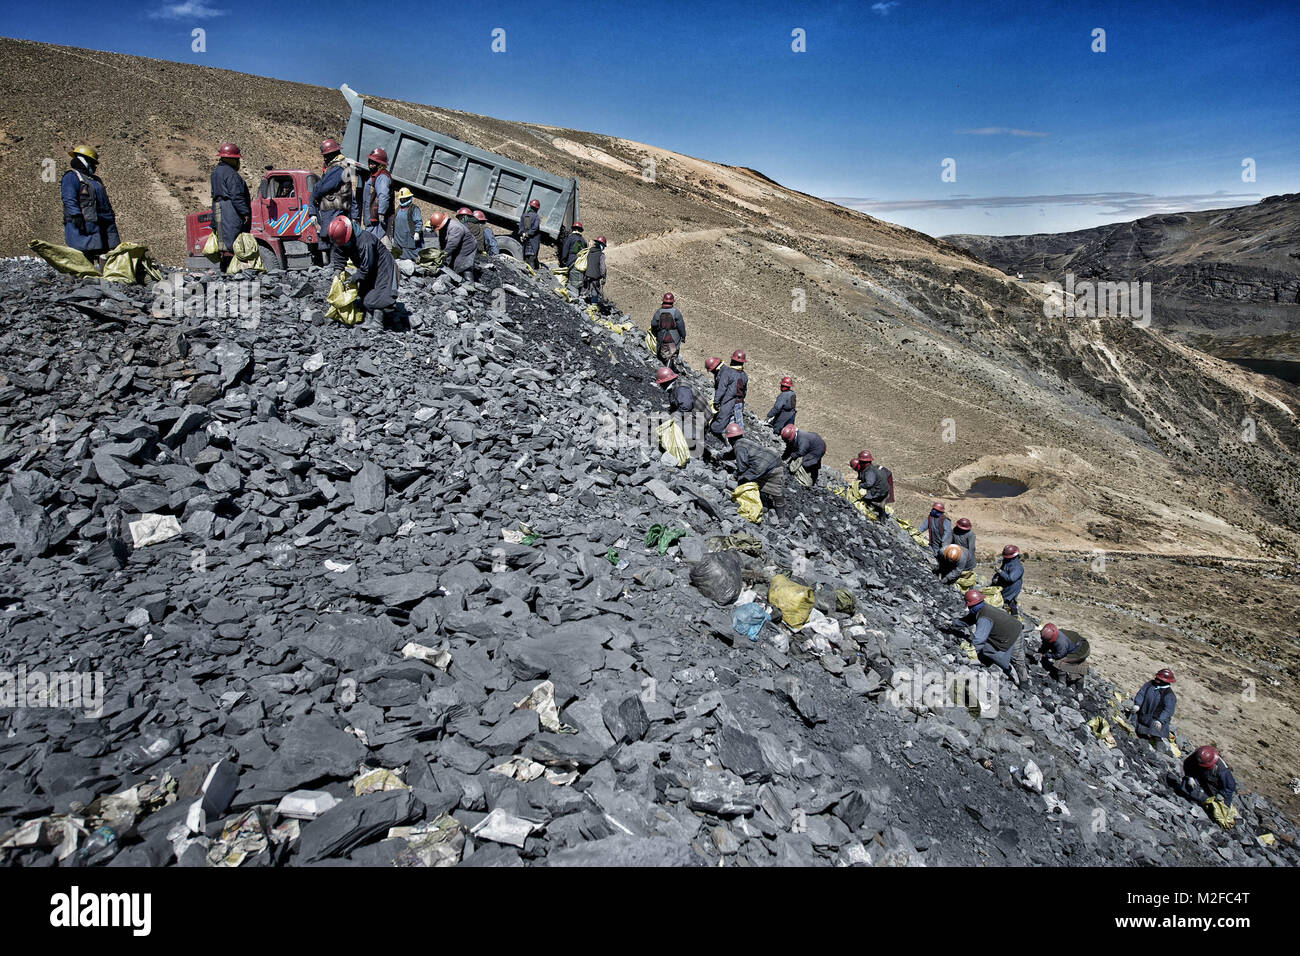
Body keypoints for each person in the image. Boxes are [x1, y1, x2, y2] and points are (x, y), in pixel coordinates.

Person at [326, 216, 397, 323]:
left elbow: (367, 266)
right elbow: (339, 253)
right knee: (365, 291)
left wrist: (355, 277)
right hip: (366, 266)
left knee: (380, 292)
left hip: (383, 265)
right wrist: (338, 270)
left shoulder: (365, 241)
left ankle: (377, 322)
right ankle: (368, 318)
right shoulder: (342, 238)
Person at [951, 588, 1028, 684]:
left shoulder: (984, 617)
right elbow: (968, 620)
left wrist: (971, 654)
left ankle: (1024, 684)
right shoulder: (980, 608)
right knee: (988, 649)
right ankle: (996, 663)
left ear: (971, 605)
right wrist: (952, 623)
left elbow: (979, 639)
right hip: (1006, 632)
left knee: (1017, 661)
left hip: (1015, 632)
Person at [61, 145, 120, 262]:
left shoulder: (95, 180)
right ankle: (86, 279)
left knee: (108, 254)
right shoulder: (72, 177)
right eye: (93, 163)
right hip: (84, 224)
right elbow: (69, 198)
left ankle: (108, 278)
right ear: (86, 161)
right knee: (85, 254)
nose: (95, 166)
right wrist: (76, 215)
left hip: (104, 224)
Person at [717, 423, 786, 516]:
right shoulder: (743, 442)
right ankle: (769, 509)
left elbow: (742, 468)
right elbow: (731, 455)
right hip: (772, 460)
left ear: (729, 439)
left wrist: (734, 476)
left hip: (768, 466)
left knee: (773, 489)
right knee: (770, 488)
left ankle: (780, 517)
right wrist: (718, 456)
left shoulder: (739, 446)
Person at [210, 143, 251, 273]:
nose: (238, 162)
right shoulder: (231, 174)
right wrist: (244, 212)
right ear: (231, 159)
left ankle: (224, 271)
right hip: (230, 209)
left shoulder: (216, 172)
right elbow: (237, 196)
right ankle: (234, 272)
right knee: (234, 241)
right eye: (237, 159)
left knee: (223, 240)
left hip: (218, 208)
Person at [309, 138, 352, 257]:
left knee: (334, 237)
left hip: (334, 208)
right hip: (335, 208)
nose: (325, 159)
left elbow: (322, 188)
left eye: (326, 156)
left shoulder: (337, 168)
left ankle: (335, 266)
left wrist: (316, 189)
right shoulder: (339, 167)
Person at [356, 147, 394, 245]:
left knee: (379, 246)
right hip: (372, 222)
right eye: (370, 160)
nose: (371, 163)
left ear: (381, 164)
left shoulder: (382, 177)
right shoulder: (374, 176)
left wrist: (381, 213)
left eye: (374, 162)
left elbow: (383, 195)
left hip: (378, 222)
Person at [428, 210, 477, 281]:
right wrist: (440, 253)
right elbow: (442, 242)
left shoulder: (455, 228)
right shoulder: (443, 227)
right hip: (458, 244)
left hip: (467, 246)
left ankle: (470, 283)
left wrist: (443, 255)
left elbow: (452, 245)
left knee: (463, 264)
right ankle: (456, 278)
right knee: (452, 263)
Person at [1132, 669, 1177, 743]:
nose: (1156, 680)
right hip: (1143, 716)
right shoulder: (1149, 685)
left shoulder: (1169, 695)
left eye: (1158, 679)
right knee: (1138, 730)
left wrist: (1160, 720)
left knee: (1155, 736)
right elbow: (1141, 693)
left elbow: (1168, 710)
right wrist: (1137, 704)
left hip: (1155, 721)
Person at [710, 351, 748, 436]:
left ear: (732, 361)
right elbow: (744, 391)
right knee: (738, 422)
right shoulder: (744, 375)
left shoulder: (727, 373)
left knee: (718, 426)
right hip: (739, 403)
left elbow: (721, 389)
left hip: (728, 402)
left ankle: (726, 437)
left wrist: (716, 402)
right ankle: (739, 439)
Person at [651, 292, 687, 371]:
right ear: (672, 301)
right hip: (674, 338)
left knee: (663, 355)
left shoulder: (658, 312)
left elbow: (653, 324)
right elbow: (681, 326)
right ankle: (668, 370)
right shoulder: (676, 312)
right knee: (672, 355)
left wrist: (655, 334)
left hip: (662, 337)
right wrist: (683, 336)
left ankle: (664, 369)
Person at [850, 451, 891, 519]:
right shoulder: (870, 468)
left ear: (863, 462)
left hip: (879, 491)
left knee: (861, 498)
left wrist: (859, 485)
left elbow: (869, 484)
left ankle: (874, 512)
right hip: (884, 489)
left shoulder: (869, 471)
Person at [991, 544, 1024, 616]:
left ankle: (1014, 615)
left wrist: (1000, 572)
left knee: (1010, 601)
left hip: (1012, 588)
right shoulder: (1007, 561)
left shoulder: (1017, 567)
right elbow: (1003, 568)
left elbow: (1011, 579)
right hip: (1004, 585)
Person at [574, 235, 608, 305]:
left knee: (585, 290)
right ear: (601, 245)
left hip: (587, 275)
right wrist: (604, 277)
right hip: (595, 277)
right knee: (595, 292)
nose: (603, 248)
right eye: (603, 246)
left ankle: (581, 304)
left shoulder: (589, 252)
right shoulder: (601, 255)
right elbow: (602, 267)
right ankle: (593, 307)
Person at [392, 188, 423, 261]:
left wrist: (417, 232)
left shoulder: (414, 209)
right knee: (397, 257)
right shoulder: (398, 208)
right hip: (397, 238)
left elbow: (418, 222)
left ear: (409, 198)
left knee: (409, 258)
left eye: (405, 198)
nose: (403, 200)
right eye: (401, 199)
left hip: (408, 239)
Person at [518, 198, 542, 269]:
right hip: (533, 242)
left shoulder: (526, 215)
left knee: (526, 259)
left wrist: (523, 234)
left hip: (526, 241)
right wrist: (527, 234)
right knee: (532, 260)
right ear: (537, 208)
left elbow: (525, 228)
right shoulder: (536, 217)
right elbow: (535, 228)